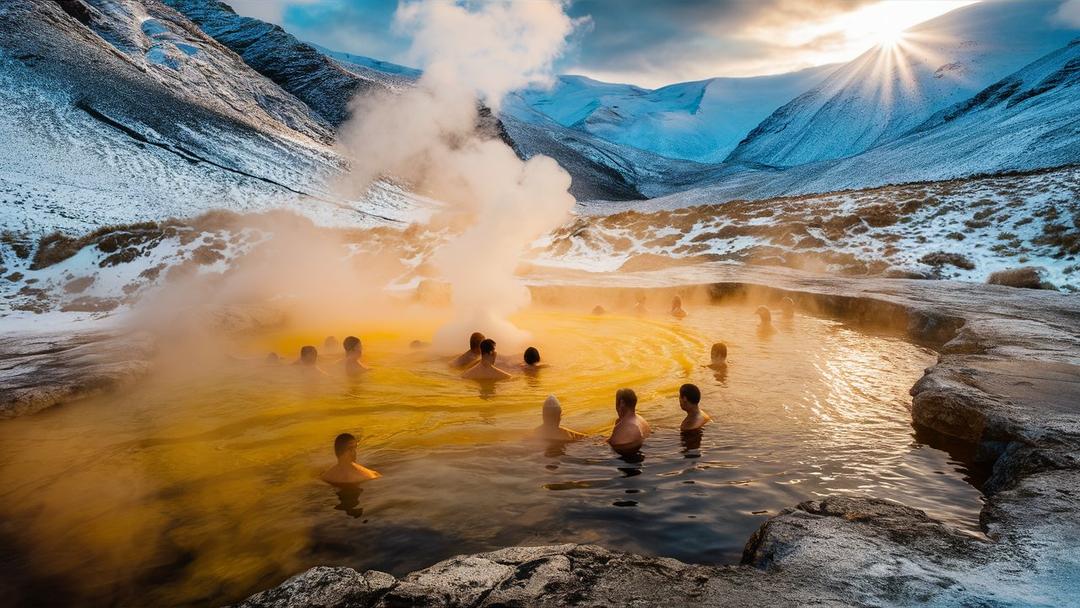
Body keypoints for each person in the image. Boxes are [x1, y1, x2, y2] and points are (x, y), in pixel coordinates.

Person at [607, 388, 651, 453]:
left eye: (616, 403)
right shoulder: (641, 420)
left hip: (628, 456)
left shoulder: (624, 426)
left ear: (622, 403)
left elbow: (611, 444)